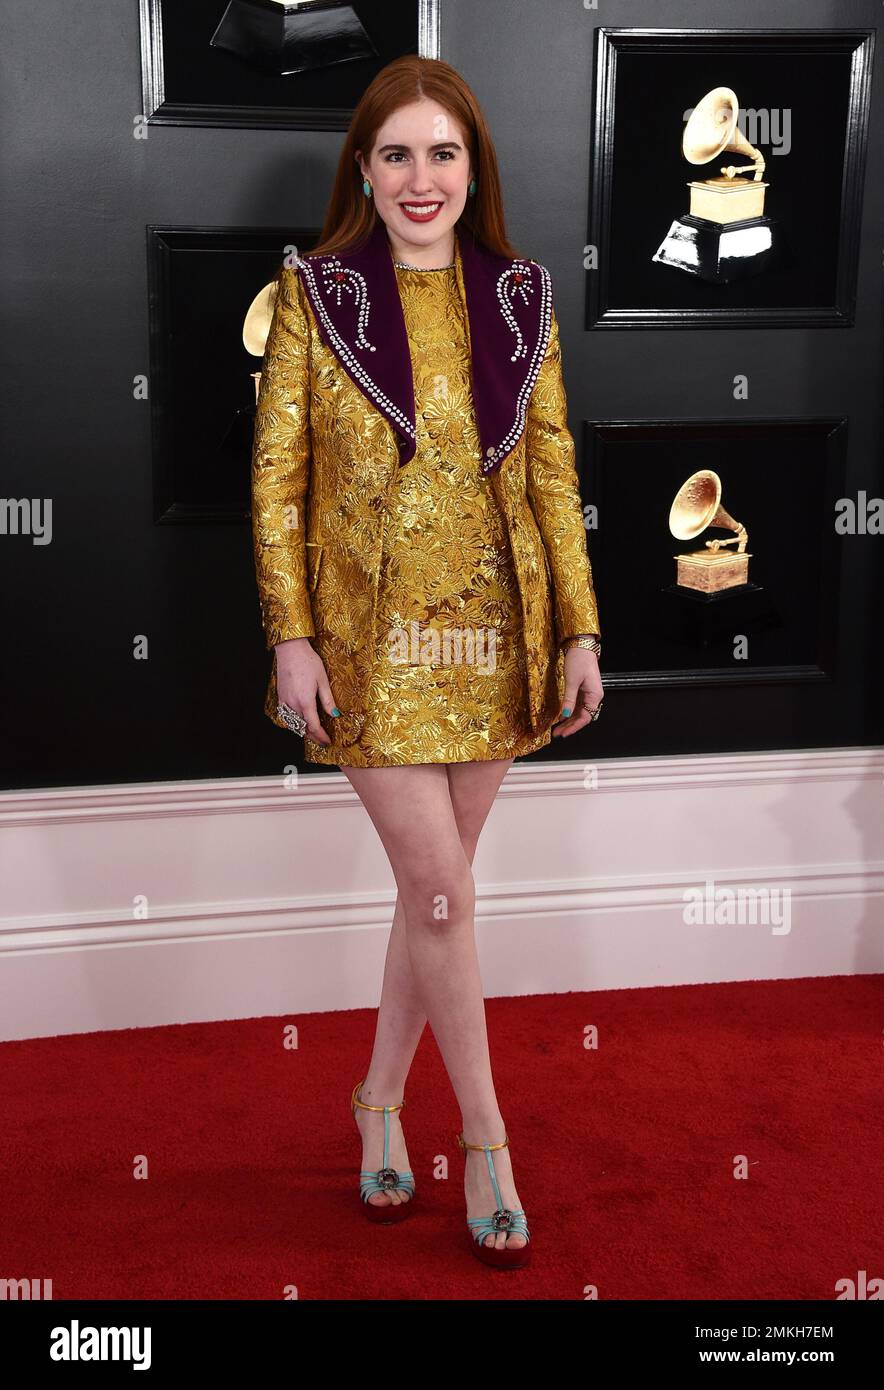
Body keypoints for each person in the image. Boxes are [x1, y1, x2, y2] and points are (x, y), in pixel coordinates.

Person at [250, 55, 603, 1270]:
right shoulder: (316, 293)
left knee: (431, 896)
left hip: (494, 642)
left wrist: (579, 629)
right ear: (363, 168)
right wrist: (289, 634)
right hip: (367, 646)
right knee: (447, 896)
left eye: (441, 154)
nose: (419, 177)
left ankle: (377, 1103)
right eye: (395, 154)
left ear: (472, 169)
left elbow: (552, 471)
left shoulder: (520, 294)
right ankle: (489, 1139)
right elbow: (275, 482)